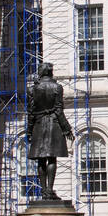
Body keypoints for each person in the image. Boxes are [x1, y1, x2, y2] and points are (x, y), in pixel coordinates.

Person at [26, 62, 73, 200]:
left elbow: (31, 112)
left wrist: (29, 130)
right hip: (53, 124)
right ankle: (49, 189)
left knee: (41, 159)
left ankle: (44, 191)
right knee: (52, 157)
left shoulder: (32, 89)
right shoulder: (57, 87)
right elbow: (59, 109)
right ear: (50, 72)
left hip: (39, 125)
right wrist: (66, 128)